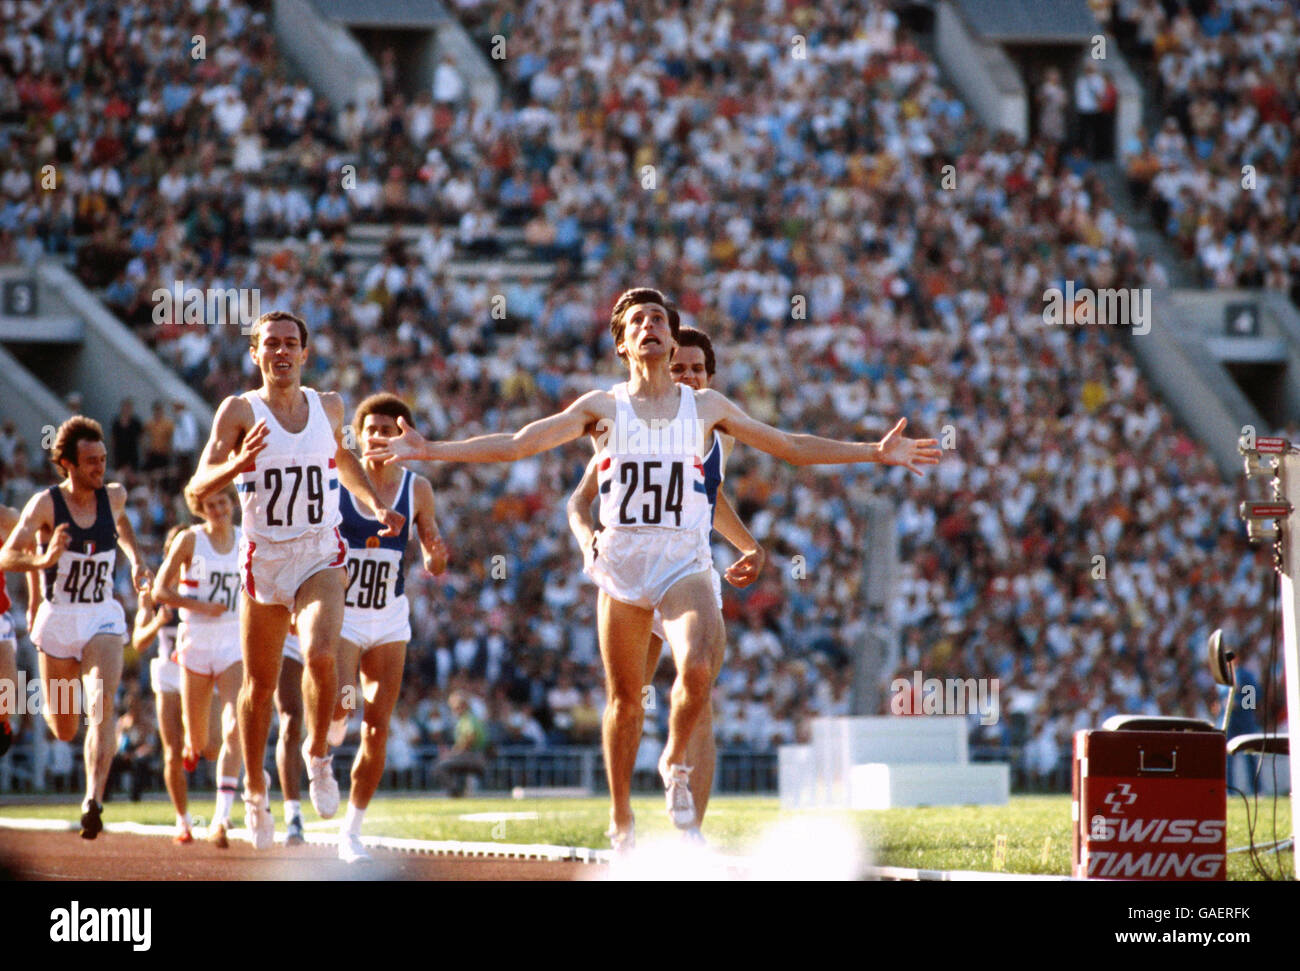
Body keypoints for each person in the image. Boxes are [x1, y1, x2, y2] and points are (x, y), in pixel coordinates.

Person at [367, 286, 941, 843]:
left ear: (671, 340)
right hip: (620, 564)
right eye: (638, 322)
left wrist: (872, 452)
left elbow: (788, 444)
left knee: (696, 668)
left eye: (659, 321)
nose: (650, 328)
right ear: (622, 343)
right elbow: (520, 443)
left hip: (683, 560)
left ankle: (674, 760)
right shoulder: (602, 408)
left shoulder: (707, 406)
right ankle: (621, 819)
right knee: (624, 700)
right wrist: (431, 450)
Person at [185, 310, 403, 849]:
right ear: (255, 354)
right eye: (270, 344)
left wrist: (373, 502)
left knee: (322, 653)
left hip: (319, 552)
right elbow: (195, 490)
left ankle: (319, 756)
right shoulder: (239, 410)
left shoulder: (329, 405)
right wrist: (235, 468)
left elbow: (342, 457)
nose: (281, 352)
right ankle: (255, 790)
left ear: (305, 353)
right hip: (263, 559)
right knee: (258, 690)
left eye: (291, 344)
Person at [566, 325, 761, 847]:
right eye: (681, 369)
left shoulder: (713, 425)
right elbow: (581, 499)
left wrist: (750, 546)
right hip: (632, 571)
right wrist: (588, 540)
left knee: (699, 694)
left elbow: (710, 501)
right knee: (629, 700)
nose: (689, 377)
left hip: (685, 572)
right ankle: (621, 816)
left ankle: (690, 829)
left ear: (711, 376)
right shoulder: (631, 423)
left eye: (699, 370)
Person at [0, 416, 152, 838]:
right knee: (64, 727)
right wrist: (43, 561)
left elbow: (121, 525)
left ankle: (93, 799)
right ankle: (84, 773)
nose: (99, 469)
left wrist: (137, 560)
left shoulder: (114, 495)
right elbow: (7, 556)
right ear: (66, 463)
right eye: (90, 462)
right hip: (59, 618)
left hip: (101, 614)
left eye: (102, 460)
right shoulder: (46, 504)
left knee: (102, 705)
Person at [328, 393, 447, 862]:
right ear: (356, 437)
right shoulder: (338, 482)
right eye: (371, 429)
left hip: (390, 615)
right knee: (343, 704)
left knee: (377, 727)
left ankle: (350, 830)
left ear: (404, 437)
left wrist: (436, 556)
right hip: (343, 614)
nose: (378, 437)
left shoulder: (417, 488)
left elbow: (434, 558)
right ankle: (329, 727)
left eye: (389, 430)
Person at [152, 486, 244, 848]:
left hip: (234, 641)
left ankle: (221, 818)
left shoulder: (246, 537)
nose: (218, 510)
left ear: (232, 504)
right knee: (202, 743)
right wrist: (202, 606)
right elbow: (160, 590)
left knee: (235, 724)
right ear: (200, 509)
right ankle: (196, 748)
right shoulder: (191, 541)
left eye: (223, 502)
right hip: (196, 643)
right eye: (210, 506)